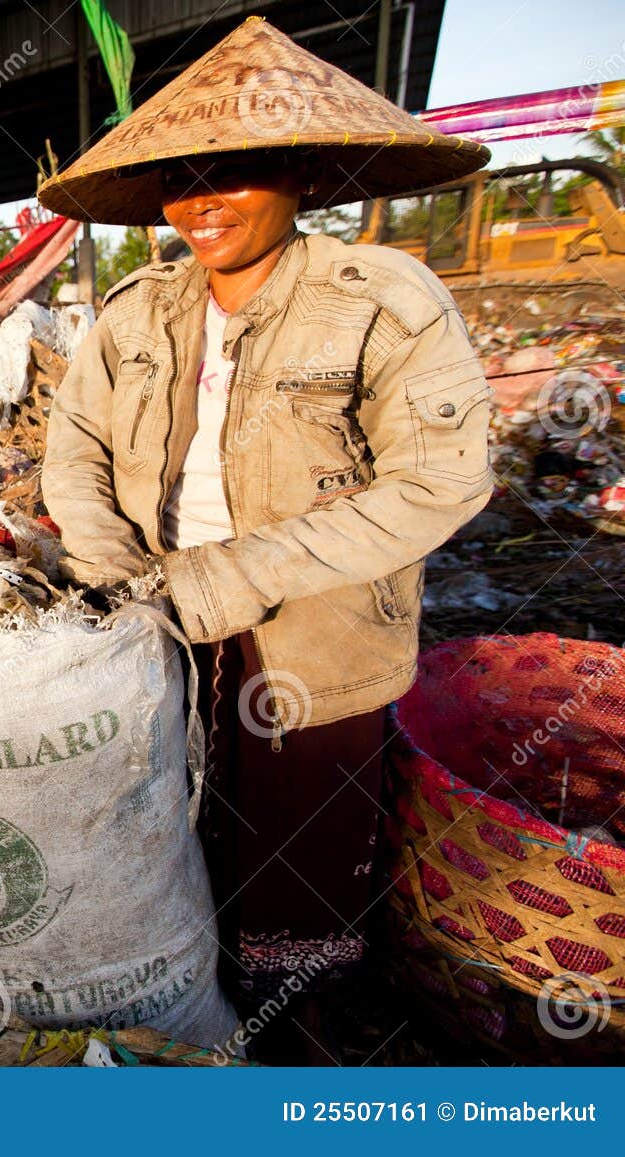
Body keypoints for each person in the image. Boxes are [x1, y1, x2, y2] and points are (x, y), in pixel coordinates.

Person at [37, 17, 494, 1047]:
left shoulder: (381, 299)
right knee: (175, 827)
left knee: (301, 859)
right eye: (184, 178)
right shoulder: (132, 314)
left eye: (236, 172)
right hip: (155, 621)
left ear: (298, 171)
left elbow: (442, 480)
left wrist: (230, 578)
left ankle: (299, 1032)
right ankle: (190, 1005)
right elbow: (73, 451)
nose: (204, 202)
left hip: (316, 636)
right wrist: (115, 574)